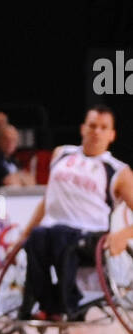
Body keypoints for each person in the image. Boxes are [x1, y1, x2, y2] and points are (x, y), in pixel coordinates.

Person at [17, 106, 133, 320]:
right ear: (83, 128)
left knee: (63, 238)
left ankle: (69, 304)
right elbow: (47, 199)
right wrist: (25, 232)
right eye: (92, 126)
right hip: (52, 230)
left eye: (103, 127)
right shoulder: (62, 154)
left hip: (89, 236)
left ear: (112, 135)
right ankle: (46, 305)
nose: (96, 131)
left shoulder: (118, 170)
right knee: (36, 238)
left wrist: (124, 235)